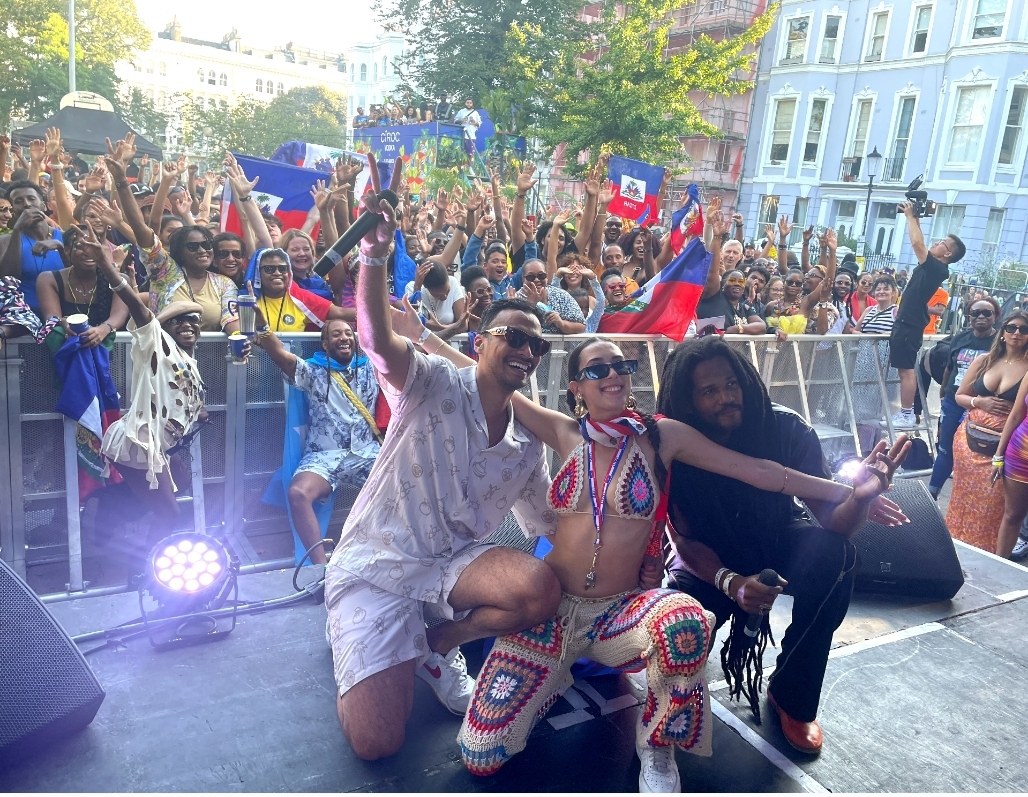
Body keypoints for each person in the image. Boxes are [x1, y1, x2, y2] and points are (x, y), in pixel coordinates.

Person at [402, 326, 903, 786]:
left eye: (622, 366)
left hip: (621, 610)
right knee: (481, 754)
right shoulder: (562, 432)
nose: (613, 375)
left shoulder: (663, 436)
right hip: (551, 609)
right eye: (597, 369)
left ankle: (658, 748)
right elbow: (488, 379)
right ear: (576, 386)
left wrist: (848, 491)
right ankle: (548, 676)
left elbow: (764, 473)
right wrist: (422, 336)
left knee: (686, 621)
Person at [326, 163, 562, 762]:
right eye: (513, 336)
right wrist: (376, 257)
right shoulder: (431, 381)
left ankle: (435, 646)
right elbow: (378, 340)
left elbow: (551, 531)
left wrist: (625, 561)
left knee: (538, 590)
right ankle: (358, 645)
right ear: (479, 339)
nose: (525, 350)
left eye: (536, 344)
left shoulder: (527, 446)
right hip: (378, 563)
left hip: (449, 569)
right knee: (377, 744)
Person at [657, 336, 909, 755]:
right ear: (687, 400)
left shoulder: (787, 427)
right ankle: (667, 706)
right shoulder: (673, 440)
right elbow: (681, 539)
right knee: (678, 622)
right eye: (709, 391)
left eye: (732, 384)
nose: (726, 397)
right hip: (706, 560)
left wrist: (859, 498)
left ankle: (792, 695)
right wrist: (731, 582)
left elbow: (837, 526)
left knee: (837, 556)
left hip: (775, 535)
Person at [253, 309, 380, 565]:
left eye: (348, 333)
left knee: (407, 482)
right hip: (324, 455)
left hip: (368, 453)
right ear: (324, 343)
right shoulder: (312, 371)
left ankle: (383, 555)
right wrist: (260, 322)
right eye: (336, 334)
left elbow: (413, 352)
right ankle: (319, 569)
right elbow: (280, 356)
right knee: (298, 493)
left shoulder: (373, 367)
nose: (344, 338)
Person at [888, 203, 966, 429]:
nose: (936, 242)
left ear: (948, 253)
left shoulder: (938, 269)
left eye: (942, 243)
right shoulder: (932, 266)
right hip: (908, 321)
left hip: (909, 324)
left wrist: (910, 218)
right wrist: (915, 218)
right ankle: (907, 412)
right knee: (905, 369)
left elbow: (916, 243)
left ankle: (906, 413)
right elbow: (920, 242)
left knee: (906, 371)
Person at [927, 298, 1001, 499]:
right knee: (945, 449)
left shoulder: (1001, 344)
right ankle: (931, 494)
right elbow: (950, 368)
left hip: (984, 406)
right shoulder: (960, 339)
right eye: (975, 313)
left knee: (977, 455)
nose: (981, 317)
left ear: (996, 316)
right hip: (954, 401)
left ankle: (972, 501)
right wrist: (942, 392)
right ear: (969, 316)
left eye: (987, 313)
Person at [36, 224, 129, 349]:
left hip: (112, 356)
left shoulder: (120, 280)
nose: (88, 252)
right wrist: (64, 323)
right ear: (67, 250)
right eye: (81, 246)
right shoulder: (48, 279)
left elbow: (120, 314)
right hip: (66, 355)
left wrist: (103, 329)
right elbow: (52, 317)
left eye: (93, 245)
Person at [984, 314, 1028, 558]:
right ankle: (999, 567)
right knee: (1012, 515)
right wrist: (998, 456)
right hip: (1021, 454)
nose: (1017, 332)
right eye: (1011, 328)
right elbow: (1015, 415)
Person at [246, 248, 347, 332]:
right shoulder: (247, 299)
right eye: (269, 269)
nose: (277, 273)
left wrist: (363, 310)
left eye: (282, 269)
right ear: (258, 273)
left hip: (294, 356)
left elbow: (341, 313)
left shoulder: (300, 297)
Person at [0, 180, 64, 312]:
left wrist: (60, 248)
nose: (27, 204)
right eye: (18, 201)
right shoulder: (6, 241)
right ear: (13, 210)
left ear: (43, 205)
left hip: (64, 314)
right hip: (25, 319)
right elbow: (7, 281)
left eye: (31, 198)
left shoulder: (64, 237)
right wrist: (17, 230)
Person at [518, 258, 585, 334]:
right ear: (523, 279)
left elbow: (581, 327)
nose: (536, 280)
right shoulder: (516, 299)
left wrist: (561, 323)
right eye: (530, 277)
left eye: (541, 276)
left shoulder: (561, 295)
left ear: (546, 277)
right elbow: (511, 327)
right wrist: (530, 306)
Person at [696, 268, 766, 335]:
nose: (737, 284)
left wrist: (737, 328)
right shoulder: (714, 297)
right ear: (723, 284)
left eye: (741, 282)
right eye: (732, 280)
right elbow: (712, 273)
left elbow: (761, 326)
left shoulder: (745, 308)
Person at [453, 98, 481, 168]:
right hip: (461, 136)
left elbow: (479, 124)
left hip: (471, 136)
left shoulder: (475, 113)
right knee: (460, 153)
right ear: (465, 103)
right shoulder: (461, 111)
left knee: (470, 154)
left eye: (470, 103)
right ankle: (460, 169)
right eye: (467, 102)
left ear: (472, 104)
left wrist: (474, 122)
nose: (469, 104)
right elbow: (455, 121)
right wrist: (461, 120)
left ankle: (470, 169)